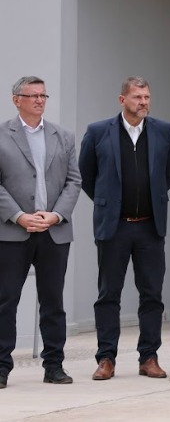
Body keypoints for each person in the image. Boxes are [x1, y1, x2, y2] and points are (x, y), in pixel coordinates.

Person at [79, 76, 170, 381]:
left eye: (147, 97)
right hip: (114, 228)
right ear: (122, 100)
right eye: (137, 97)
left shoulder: (163, 130)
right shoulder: (98, 132)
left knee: (152, 295)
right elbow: (87, 175)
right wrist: (110, 203)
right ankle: (106, 358)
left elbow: (169, 173)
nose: (143, 102)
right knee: (109, 294)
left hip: (150, 228)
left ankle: (149, 357)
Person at [0, 76, 82, 388]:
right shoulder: (2, 134)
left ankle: (54, 366)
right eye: (32, 95)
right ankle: (1, 367)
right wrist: (19, 216)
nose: (39, 100)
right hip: (12, 233)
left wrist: (56, 214)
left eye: (43, 95)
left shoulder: (63, 136)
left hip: (53, 232)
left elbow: (74, 181)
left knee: (53, 302)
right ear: (16, 99)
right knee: (6, 301)